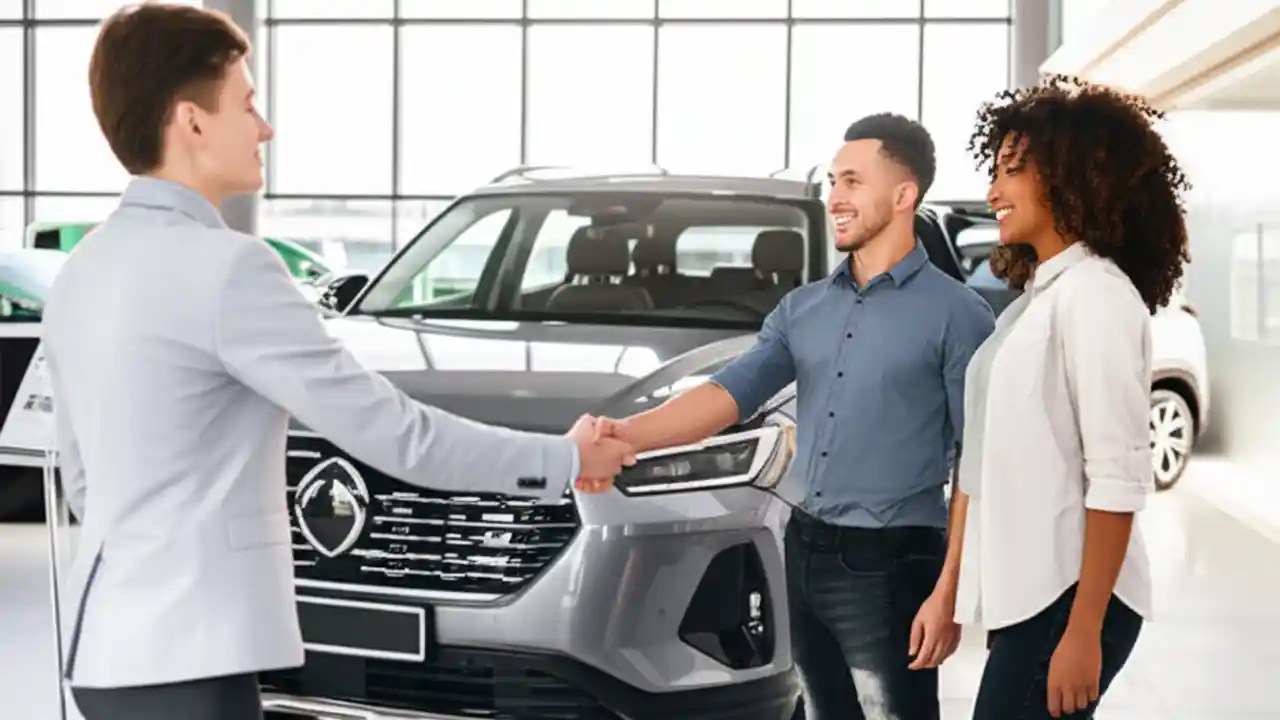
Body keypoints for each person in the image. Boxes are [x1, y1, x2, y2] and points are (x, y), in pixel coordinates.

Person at [43, 5, 633, 719]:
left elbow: (81, 477)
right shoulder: (229, 270)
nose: (264, 128)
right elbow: (395, 434)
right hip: (192, 658)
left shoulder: (83, 270)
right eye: (248, 103)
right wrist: (564, 459)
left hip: (105, 650)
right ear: (192, 121)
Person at [589, 114, 996, 719]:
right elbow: (729, 393)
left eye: (853, 181)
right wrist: (625, 435)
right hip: (802, 546)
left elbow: (977, 463)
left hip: (891, 562)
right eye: (833, 181)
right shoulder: (802, 309)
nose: (835, 197)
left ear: (904, 194)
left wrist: (951, 590)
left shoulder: (958, 315)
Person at [953, 75, 1190, 719]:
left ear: (1068, 177)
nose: (993, 191)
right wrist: (953, 590)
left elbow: (1117, 475)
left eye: (1012, 171)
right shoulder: (1040, 299)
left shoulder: (1096, 294)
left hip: (1073, 598)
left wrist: (1084, 630)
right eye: (994, 171)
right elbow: (980, 456)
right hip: (1033, 595)